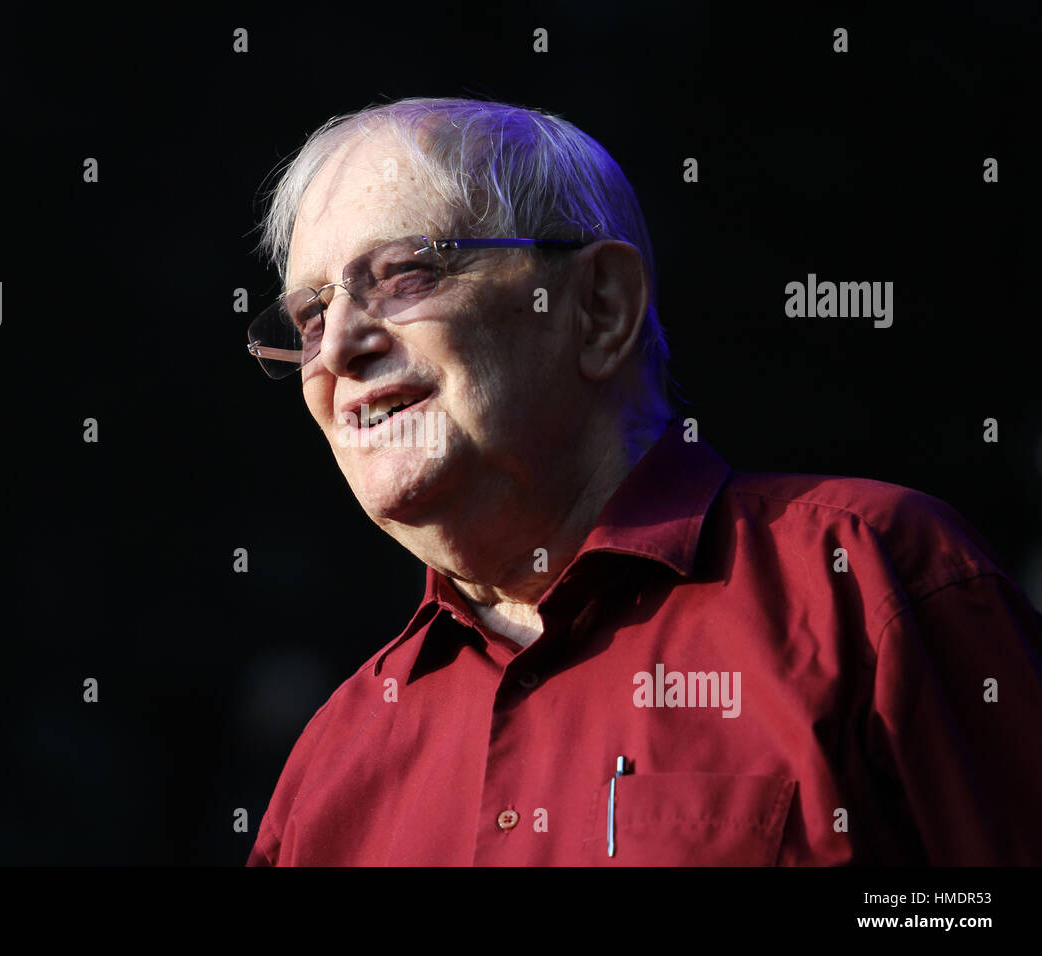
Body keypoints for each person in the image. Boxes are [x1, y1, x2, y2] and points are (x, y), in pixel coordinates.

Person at [242, 97, 1042, 866]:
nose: (338, 346)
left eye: (406, 272)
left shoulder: (871, 578)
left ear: (598, 309)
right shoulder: (330, 765)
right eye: (309, 318)